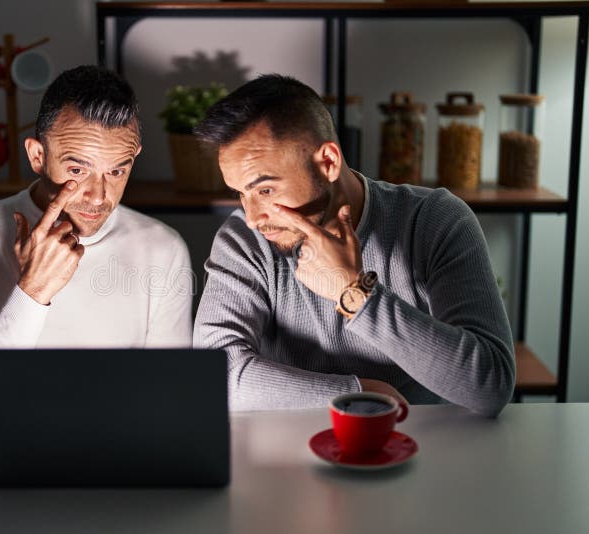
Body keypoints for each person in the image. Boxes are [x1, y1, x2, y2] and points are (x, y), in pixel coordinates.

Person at [193, 74, 515, 417]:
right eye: (240, 193)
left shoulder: (434, 221)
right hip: (287, 451)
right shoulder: (244, 241)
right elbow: (214, 374)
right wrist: (356, 394)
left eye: (265, 190)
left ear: (328, 161)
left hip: (417, 446)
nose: (254, 216)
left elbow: (490, 387)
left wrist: (355, 294)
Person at [0, 66, 193, 406]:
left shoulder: (164, 248)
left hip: (109, 446)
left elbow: (169, 392)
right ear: (38, 156)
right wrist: (33, 291)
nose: (99, 196)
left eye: (117, 170)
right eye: (77, 170)